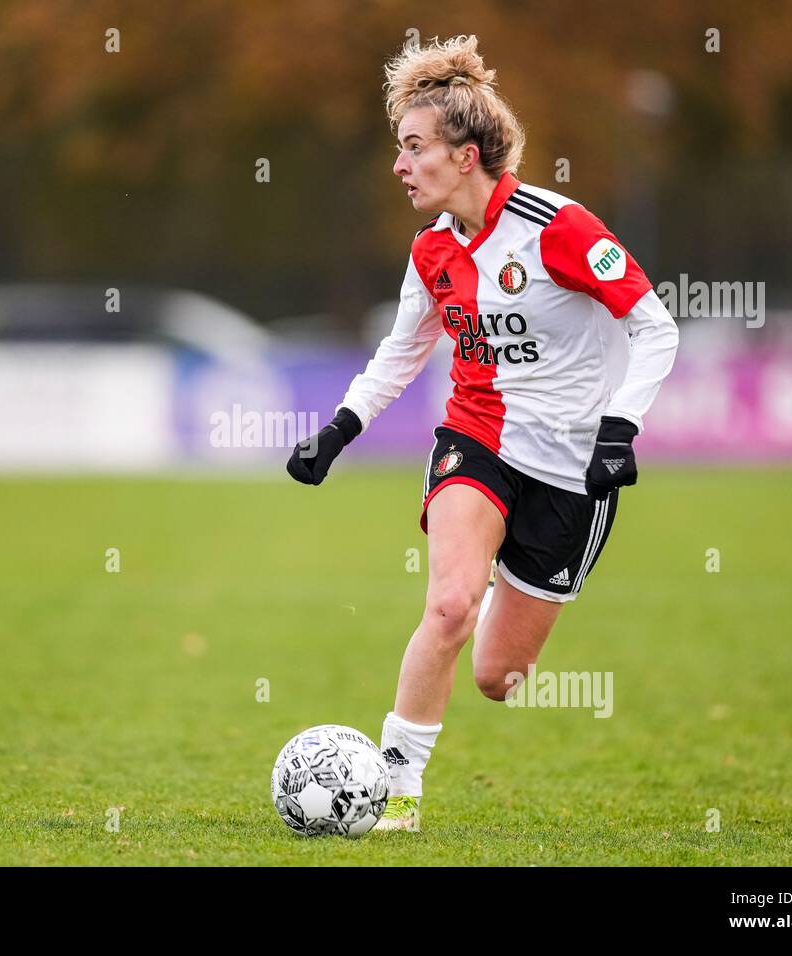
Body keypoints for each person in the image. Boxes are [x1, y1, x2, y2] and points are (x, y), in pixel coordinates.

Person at [286, 34, 679, 831]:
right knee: (448, 606)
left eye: (413, 147)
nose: (399, 165)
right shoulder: (430, 250)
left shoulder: (558, 227)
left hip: (571, 473)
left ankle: (510, 592)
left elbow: (656, 326)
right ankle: (398, 793)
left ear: (465, 155)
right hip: (477, 442)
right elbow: (401, 352)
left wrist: (618, 432)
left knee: (500, 676)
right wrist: (338, 431)